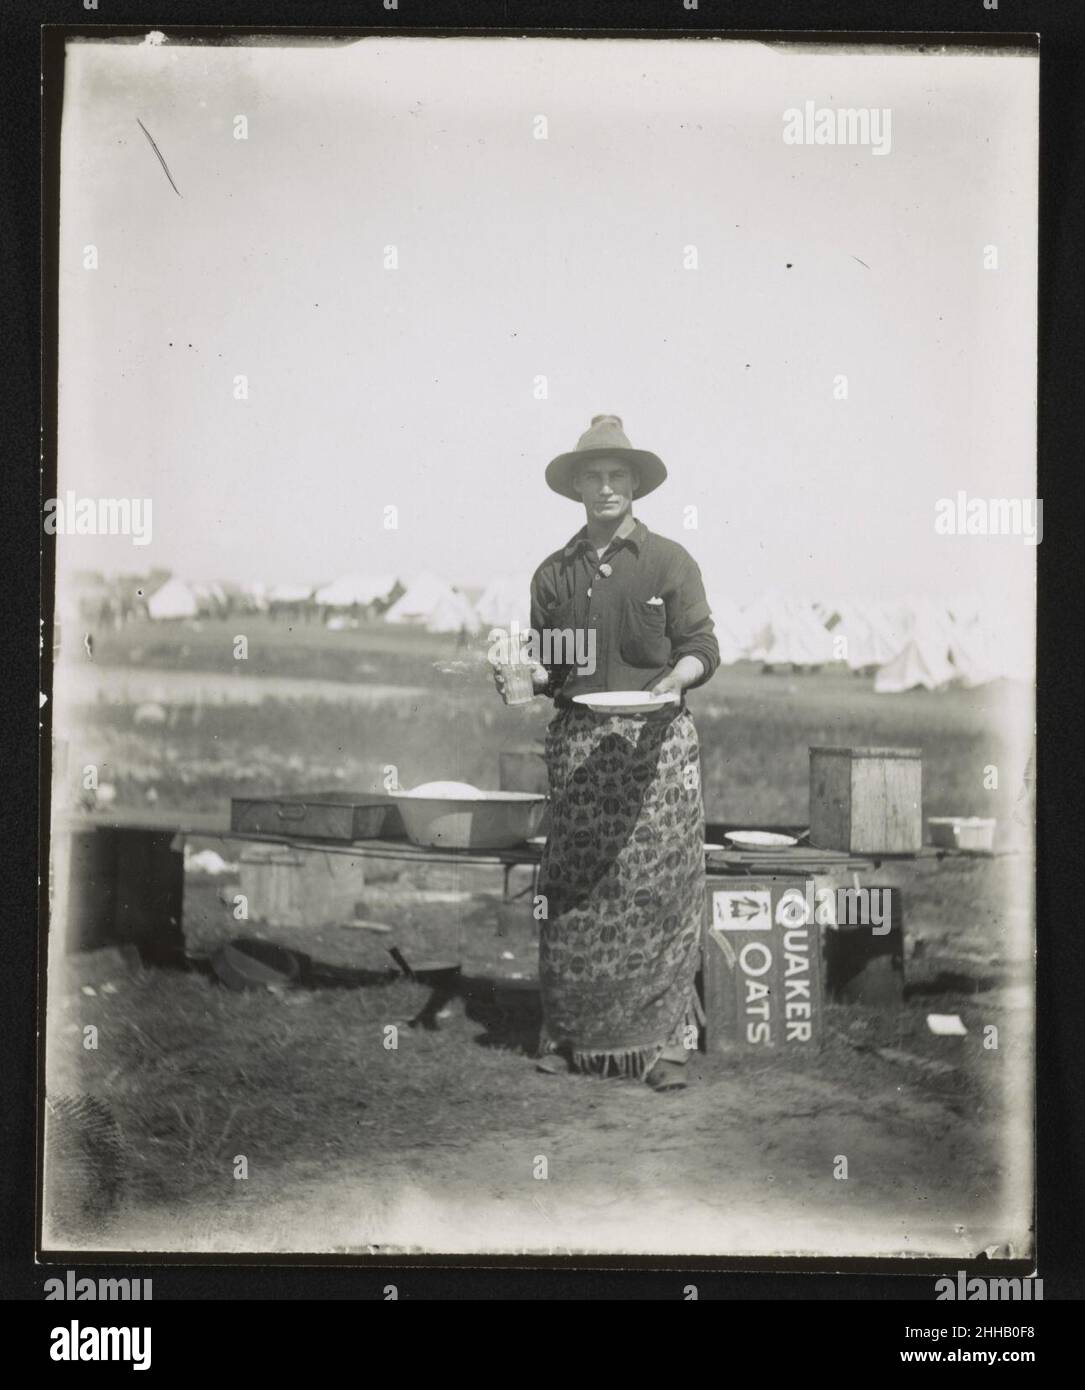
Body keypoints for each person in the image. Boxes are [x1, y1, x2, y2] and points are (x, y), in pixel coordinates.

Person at [495, 414, 719, 1091]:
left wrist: (671, 683)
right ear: (576, 489)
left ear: (634, 485)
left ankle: (664, 1048)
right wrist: (518, 675)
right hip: (580, 751)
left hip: (656, 750)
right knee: (574, 893)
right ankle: (568, 1039)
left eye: (616, 475)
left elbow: (701, 649)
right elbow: (552, 667)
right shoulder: (554, 575)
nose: (605, 486)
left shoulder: (667, 562)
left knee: (660, 893)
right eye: (592, 476)